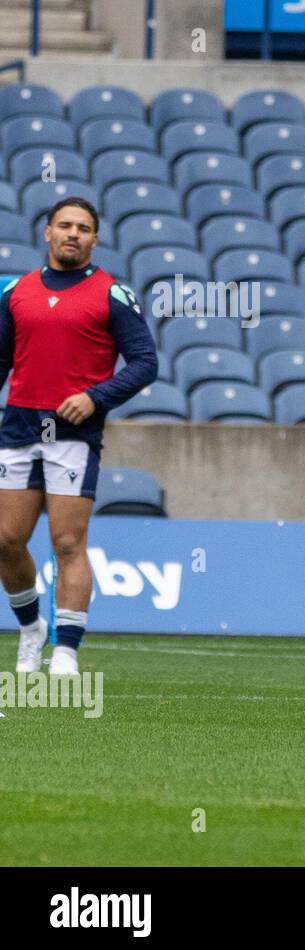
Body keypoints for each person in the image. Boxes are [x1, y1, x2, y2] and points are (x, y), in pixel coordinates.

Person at [0, 197, 158, 676]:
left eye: (83, 228)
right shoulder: (15, 292)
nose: (73, 233)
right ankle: (31, 629)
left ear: (95, 238)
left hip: (73, 431)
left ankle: (66, 650)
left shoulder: (113, 294)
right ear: (47, 233)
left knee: (67, 541)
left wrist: (95, 397)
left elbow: (146, 363)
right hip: (19, 427)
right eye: (64, 225)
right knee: (6, 540)